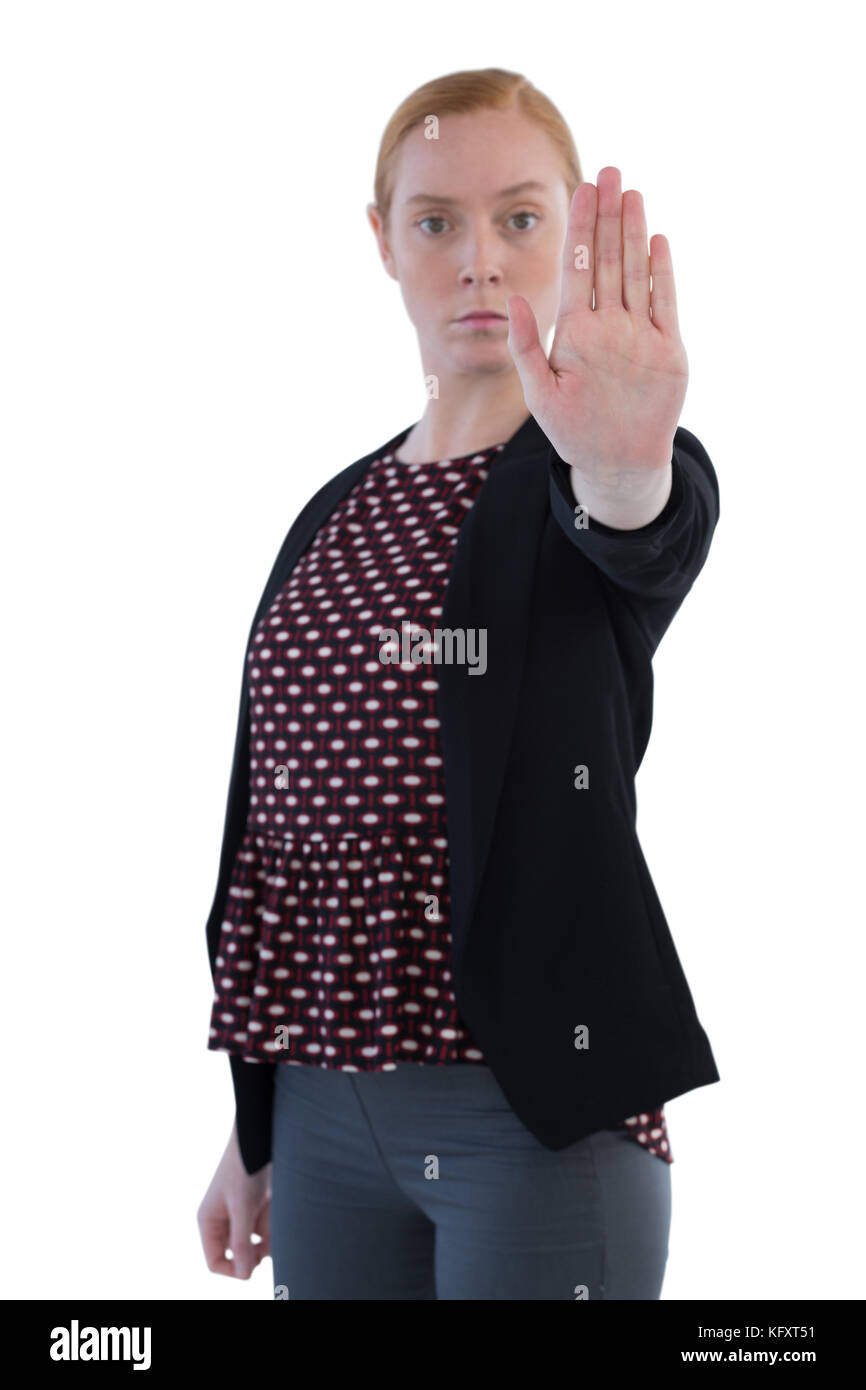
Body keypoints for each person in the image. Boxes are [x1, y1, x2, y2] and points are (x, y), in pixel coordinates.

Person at [197, 66, 721, 1300]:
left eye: (520, 217)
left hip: (531, 1115)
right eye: (436, 220)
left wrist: (623, 464)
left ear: (566, 233)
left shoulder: (582, 476)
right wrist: (258, 1117)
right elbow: (279, 826)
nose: (479, 258)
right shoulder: (333, 511)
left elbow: (643, 529)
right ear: (382, 242)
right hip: (325, 1114)